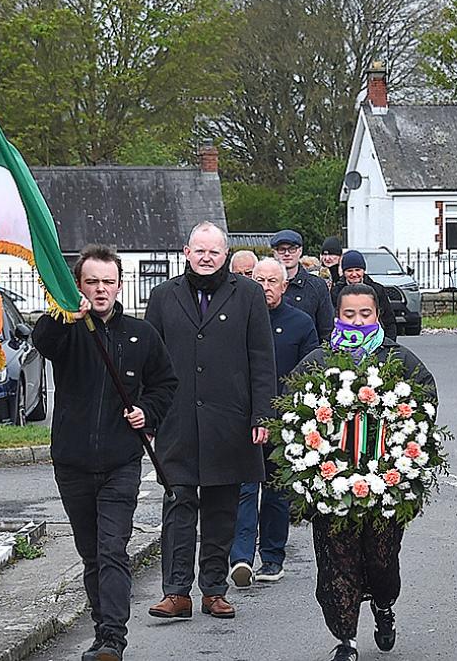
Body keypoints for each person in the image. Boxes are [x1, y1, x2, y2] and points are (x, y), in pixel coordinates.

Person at [32, 244, 178, 661]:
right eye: (92, 282)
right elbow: (42, 341)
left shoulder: (141, 334)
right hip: (73, 461)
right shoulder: (67, 329)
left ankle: (114, 637)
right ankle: (101, 630)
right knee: (92, 553)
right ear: (79, 285)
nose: (100, 289)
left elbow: (166, 384)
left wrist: (146, 411)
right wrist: (64, 314)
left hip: (121, 462)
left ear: (119, 286)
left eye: (108, 282)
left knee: (113, 549)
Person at [295, 284, 437, 661]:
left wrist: (404, 447)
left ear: (377, 316)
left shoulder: (399, 359)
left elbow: (425, 402)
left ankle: (383, 605)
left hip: (385, 484)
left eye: (365, 314)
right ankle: (346, 639)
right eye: (349, 314)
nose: (357, 321)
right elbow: (293, 409)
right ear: (337, 316)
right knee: (337, 562)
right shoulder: (319, 361)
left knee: (381, 562)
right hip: (332, 483)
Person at [145, 221, 278, 621]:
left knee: (222, 510)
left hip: (229, 421)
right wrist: (148, 412)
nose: (206, 258)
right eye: (199, 251)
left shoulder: (248, 295)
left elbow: (262, 359)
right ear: (187, 253)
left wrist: (262, 414)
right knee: (178, 505)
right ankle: (176, 593)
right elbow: (149, 361)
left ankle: (215, 590)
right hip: (177, 420)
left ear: (225, 255)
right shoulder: (163, 296)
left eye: (214, 252)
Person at [229, 258, 319, 589]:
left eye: (272, 281)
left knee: (277, 493)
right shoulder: (236, 319)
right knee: (243, 489)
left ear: (284, 286)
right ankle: (240, 557)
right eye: (259, 281)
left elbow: (311, 371)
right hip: (243, 418)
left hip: (283, 422)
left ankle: (272, 557)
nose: (265, 287)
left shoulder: (300, 323)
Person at [271, 229, 334, 339]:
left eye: (292, 249)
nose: (287, 254)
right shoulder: (265, 286)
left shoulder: (317, 286)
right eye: (282, 249)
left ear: (300, 251)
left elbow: (327, 329)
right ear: (274, 252)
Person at [331, 250, 397, 340]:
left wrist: (389, 342)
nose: (354, 274)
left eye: (358, 270)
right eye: (349, 271)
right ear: (344, 272)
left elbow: (389, 320)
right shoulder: (336, 292)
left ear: (364, 270)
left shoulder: (377, 290)